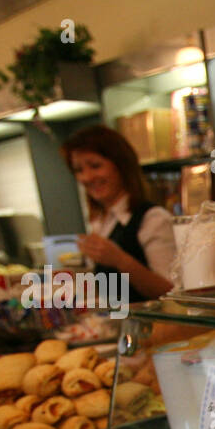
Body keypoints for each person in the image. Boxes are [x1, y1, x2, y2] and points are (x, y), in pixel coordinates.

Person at [60, 125, 175, 300]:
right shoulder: (100, 220)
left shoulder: (153, 219)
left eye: (95, 166)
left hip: (154, 327)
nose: (87, 177)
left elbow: (171, 292)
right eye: (79, 170)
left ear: (121, 165)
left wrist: (120, 260)